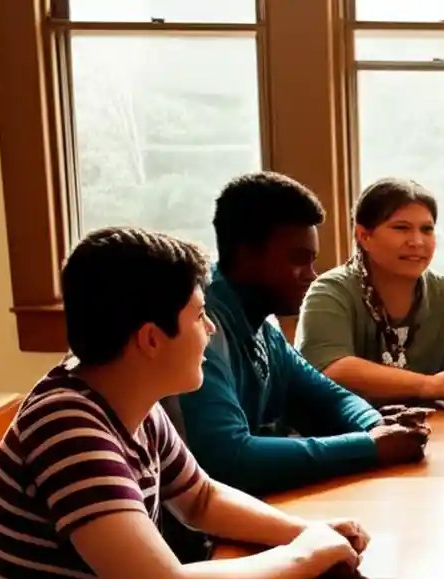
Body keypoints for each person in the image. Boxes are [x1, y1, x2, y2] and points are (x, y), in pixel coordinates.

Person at [0, 228, 373, 579]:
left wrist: (309, 532)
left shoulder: (124, 397)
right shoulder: (69, 430)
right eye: (199, 316)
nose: (209, 331)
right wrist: (301, 558)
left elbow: (201, 499)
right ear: (150, 339)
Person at [175, 172, 429, 497]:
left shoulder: (264, 326)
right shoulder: (202, 331)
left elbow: (327, 396)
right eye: (299, 260)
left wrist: (375, 424)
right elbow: (230, 458)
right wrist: (369, 447)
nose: (311, 276)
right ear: (245, 255)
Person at [295, 178, 444, 404]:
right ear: (363, 235)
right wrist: (427, 385)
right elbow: (329, 367)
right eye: (401, 228)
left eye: (427, 229)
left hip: (432, 432)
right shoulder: (330, 291)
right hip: (343, 439)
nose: (417, 241)